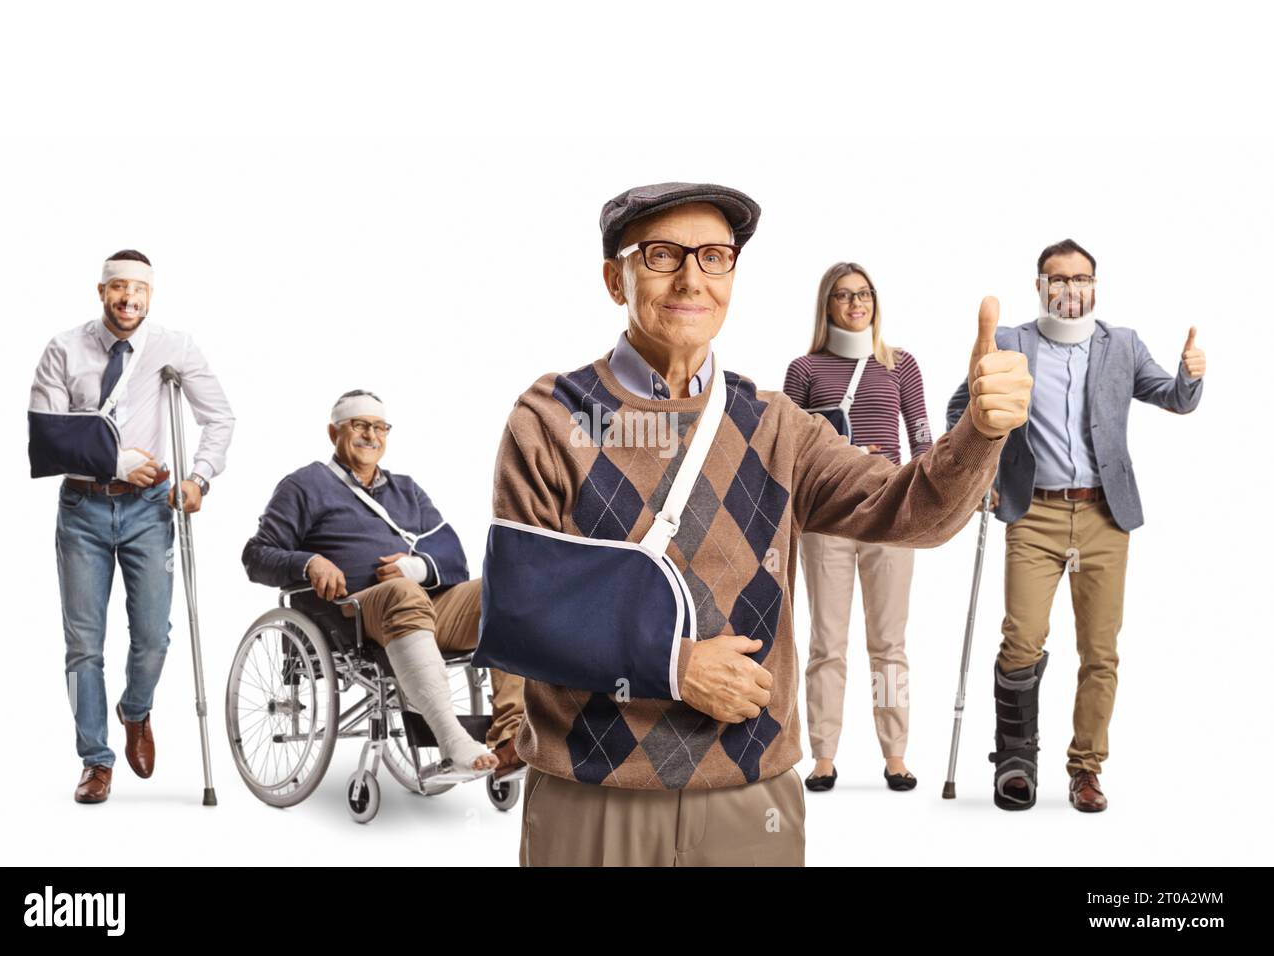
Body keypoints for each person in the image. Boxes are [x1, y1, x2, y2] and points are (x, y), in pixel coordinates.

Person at [480, 182, 1030, 865]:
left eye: (715, 257)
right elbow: (517, 617)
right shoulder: (551, 419)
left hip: (749, 797)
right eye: (660, 255)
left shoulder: (775, 426)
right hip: (591, 796)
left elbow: (911, 510)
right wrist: (676, 667)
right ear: (613, 280)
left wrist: (978, 433)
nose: (692, 278)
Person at [946, 238, 1206, 812]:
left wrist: (1190, 377)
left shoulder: (1123, 345)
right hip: (1032, 511)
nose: (1070, 289)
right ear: (1039, 286)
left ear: (1096, 285)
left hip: (1103, 514)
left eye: (1080, 278)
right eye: (1058, 279)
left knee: (1099, 651)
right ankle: (1015, 761)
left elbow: (1175, 400)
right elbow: (962, 406)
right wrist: (977, 471)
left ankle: (1086, 770)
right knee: (1022, 640)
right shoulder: (1013, 342)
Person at [29, 249, 236, 804]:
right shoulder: (64, 349)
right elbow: (48, 438)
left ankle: (135, 710)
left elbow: (219, 417)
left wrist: (199, 478)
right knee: (84, 644)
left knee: (152, 636)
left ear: (151, 294)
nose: (128, 299)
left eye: (138, 289)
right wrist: (115, 461)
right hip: (83, 509)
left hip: (150, 509)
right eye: (118, 288)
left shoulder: (175, 346)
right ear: (101, 292)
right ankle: (95, 760)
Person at [241, 389, 526, 776]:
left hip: (428, 605)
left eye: (379, 427)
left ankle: (511, 740)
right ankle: (452, 737)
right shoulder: (304, 486)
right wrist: (308, 562)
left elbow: (454, 559)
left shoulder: (407, 490)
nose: (370, 435)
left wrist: (418, 567)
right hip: (353, 613)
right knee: (401, 592)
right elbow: (256, 556)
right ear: (333, 432)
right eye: (359, 425)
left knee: (509, 587)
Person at [783, 261, 933, 793]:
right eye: (844, 296)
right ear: (827, 305)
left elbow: (922, 438)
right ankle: (823, 755)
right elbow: (788, 449)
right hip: (827, 517)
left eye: (864, 294)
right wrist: (842, 456)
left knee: (889, 644)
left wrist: (937, 496)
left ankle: (896, 754)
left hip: (890, 513)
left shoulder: (901, 365)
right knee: (827, 643)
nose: (855, 304)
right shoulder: (804, 370)